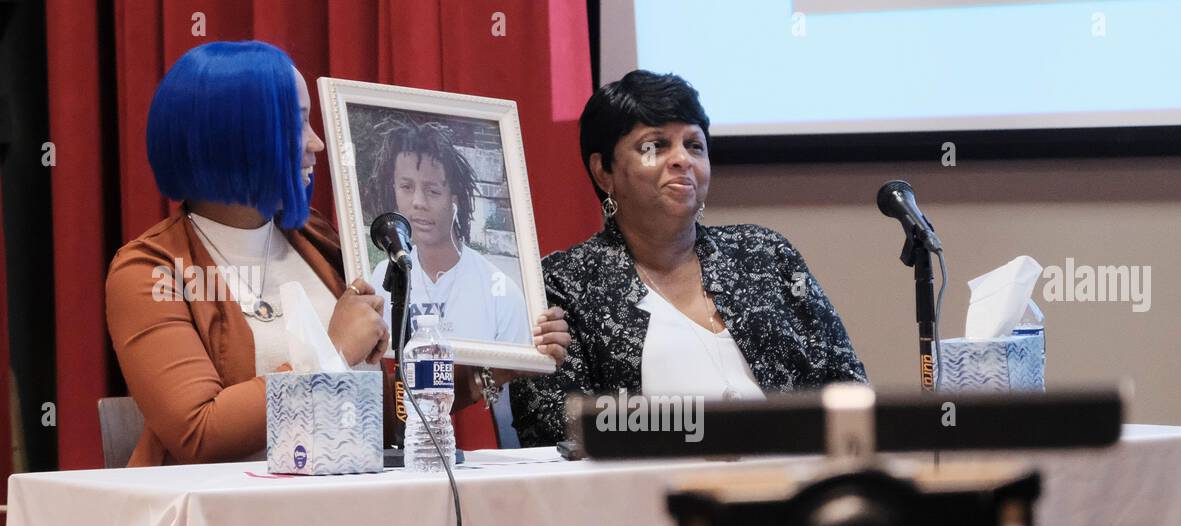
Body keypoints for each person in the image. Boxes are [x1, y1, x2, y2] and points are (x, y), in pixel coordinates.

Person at [106, 40, 568, 465]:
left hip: (344, 500)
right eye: (297, 125)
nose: (317, 143)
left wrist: (490, 370)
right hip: (230, 515)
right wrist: (333, 351)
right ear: (238, 140)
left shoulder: (315, 238)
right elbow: (200, 432)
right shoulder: (148, 270)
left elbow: (383, 411)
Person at [509, 70, 866, 448]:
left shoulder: (766, 254)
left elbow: (847, 384)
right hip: (649, 482)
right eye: (655, 146)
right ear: (604, 172)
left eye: (695, 146)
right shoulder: (563, 283)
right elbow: (555, 429)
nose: (682, 159)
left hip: (788, 474)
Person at [364, 116, 530, 346]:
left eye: (433, 191)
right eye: (406, 187)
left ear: (455, 199)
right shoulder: (381, 280)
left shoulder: (501, 292)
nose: (418, 202)